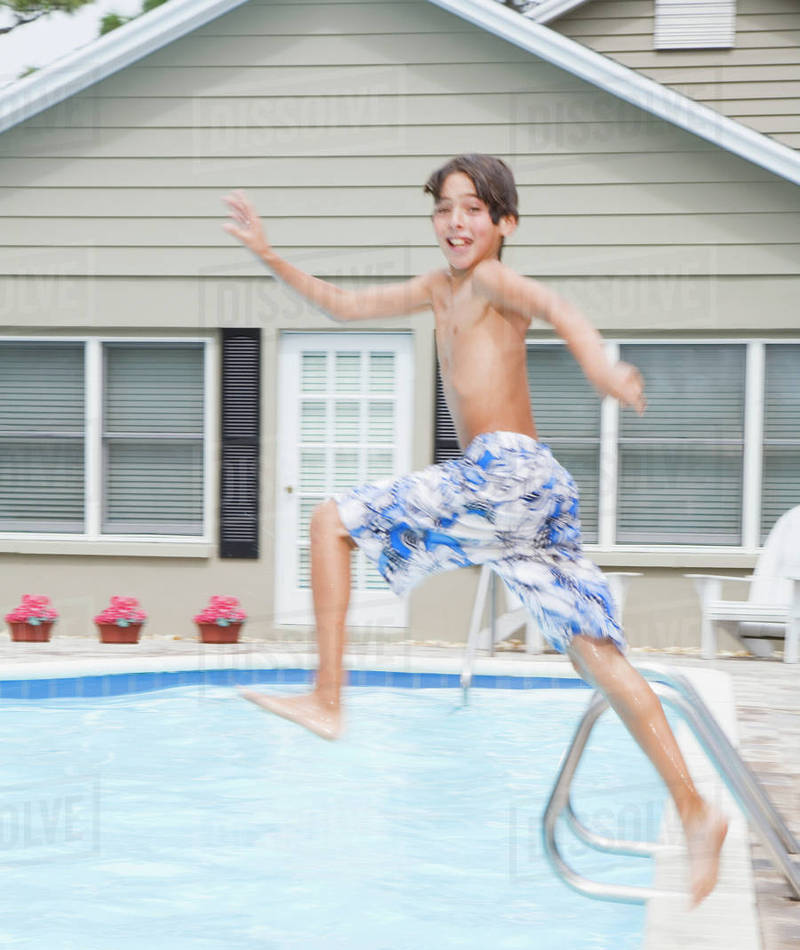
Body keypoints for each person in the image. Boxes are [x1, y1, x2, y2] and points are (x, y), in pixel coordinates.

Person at [222, 154, 728, 905]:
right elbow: (343, 305)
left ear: (503, 225)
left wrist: (600, 369)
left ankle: (328, 698)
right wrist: (269, 256)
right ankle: (694, 808)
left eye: (472, 210)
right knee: (594, 654)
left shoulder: (491, 282)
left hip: (508, 473)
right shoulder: (437, 289)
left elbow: (558, 308)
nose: (455, 223)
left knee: (330, 522)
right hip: (538, 492)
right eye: (443, 209)